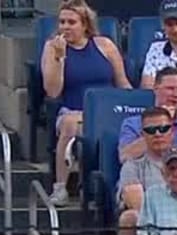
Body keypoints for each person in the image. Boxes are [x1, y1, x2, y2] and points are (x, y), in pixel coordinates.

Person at [41, 0, 130, 206]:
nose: (65, 27)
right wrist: (60, 58)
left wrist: (135, 103)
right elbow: (53, 91)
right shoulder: (52, 47)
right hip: (72, 111)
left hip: (108, 111)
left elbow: (122, 82)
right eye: (62, 22)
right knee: (70, 123)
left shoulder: (105, 45)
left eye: (71, 22)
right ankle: (61, 187)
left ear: (85, 25)